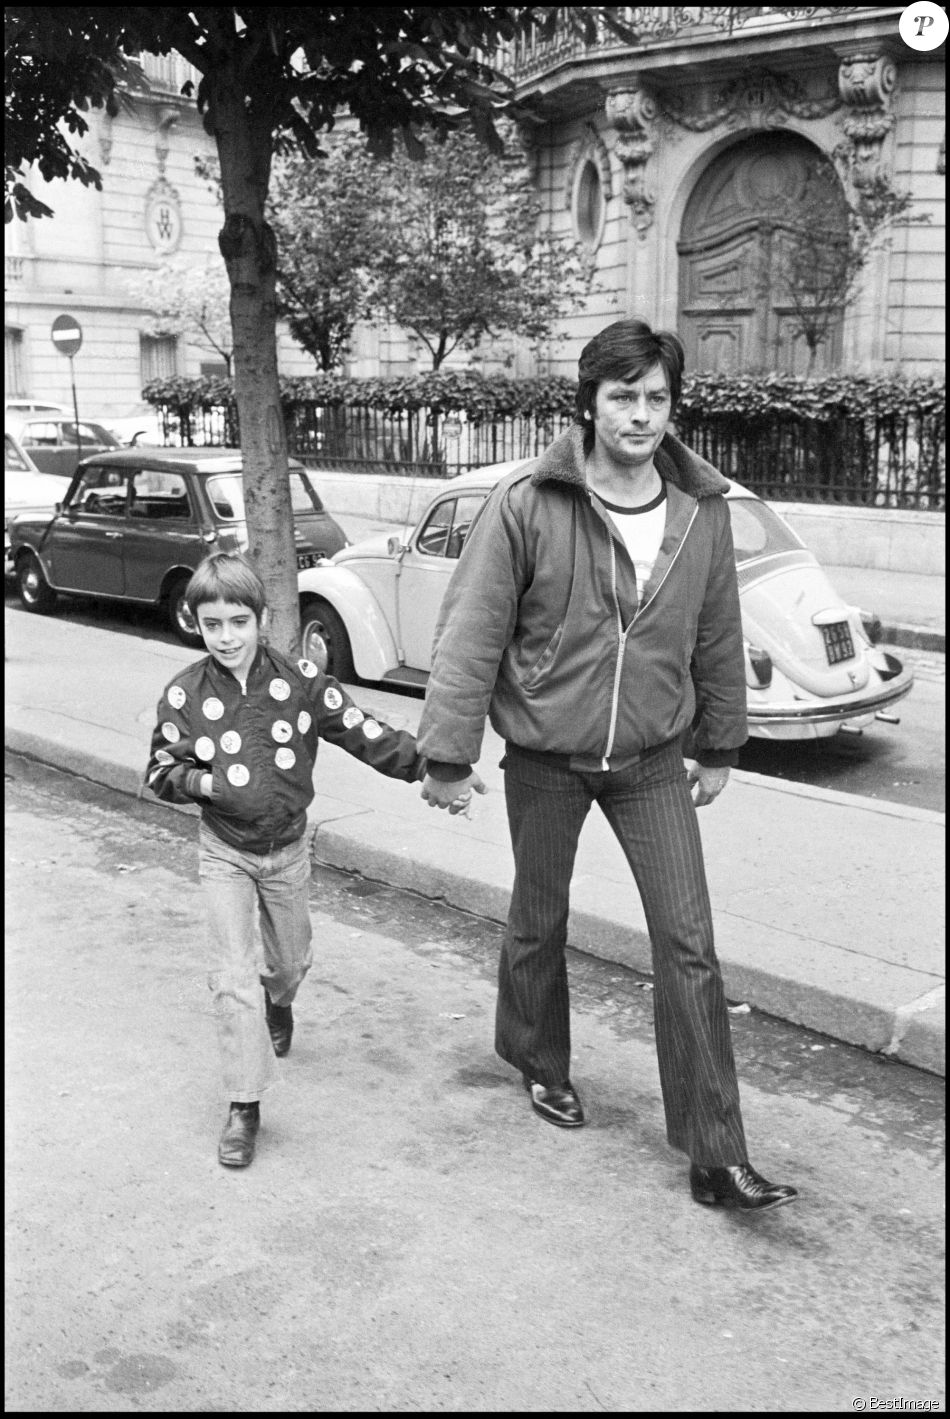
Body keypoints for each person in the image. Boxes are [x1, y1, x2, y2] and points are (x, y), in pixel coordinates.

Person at [417, 317, 797, 1212]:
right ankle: (539, 1058)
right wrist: (446, 755)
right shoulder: (527, 502)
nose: (641, 414)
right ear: (588, 403)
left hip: (653, 759)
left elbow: (717, 631)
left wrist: (722, 742)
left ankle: (716, 1153)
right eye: (623, 396)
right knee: (539, 916)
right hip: (547, 753)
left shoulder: (701, 509)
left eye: (657, 397)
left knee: (688, 941)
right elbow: (471, 633)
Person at [145, 552, 426, 1169]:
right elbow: (161, 770)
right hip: (224, 851)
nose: (226, 637)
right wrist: (204, 786)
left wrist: (434, 767)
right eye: (213, 624)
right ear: (196, 623)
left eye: (239, 622)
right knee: (231, 977)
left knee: (290, 961)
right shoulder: (184, 693)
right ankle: (245, 1105)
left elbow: (361, 729)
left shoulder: (298, 679)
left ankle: (282, 1002)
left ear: (262, 619)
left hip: (288, 850)